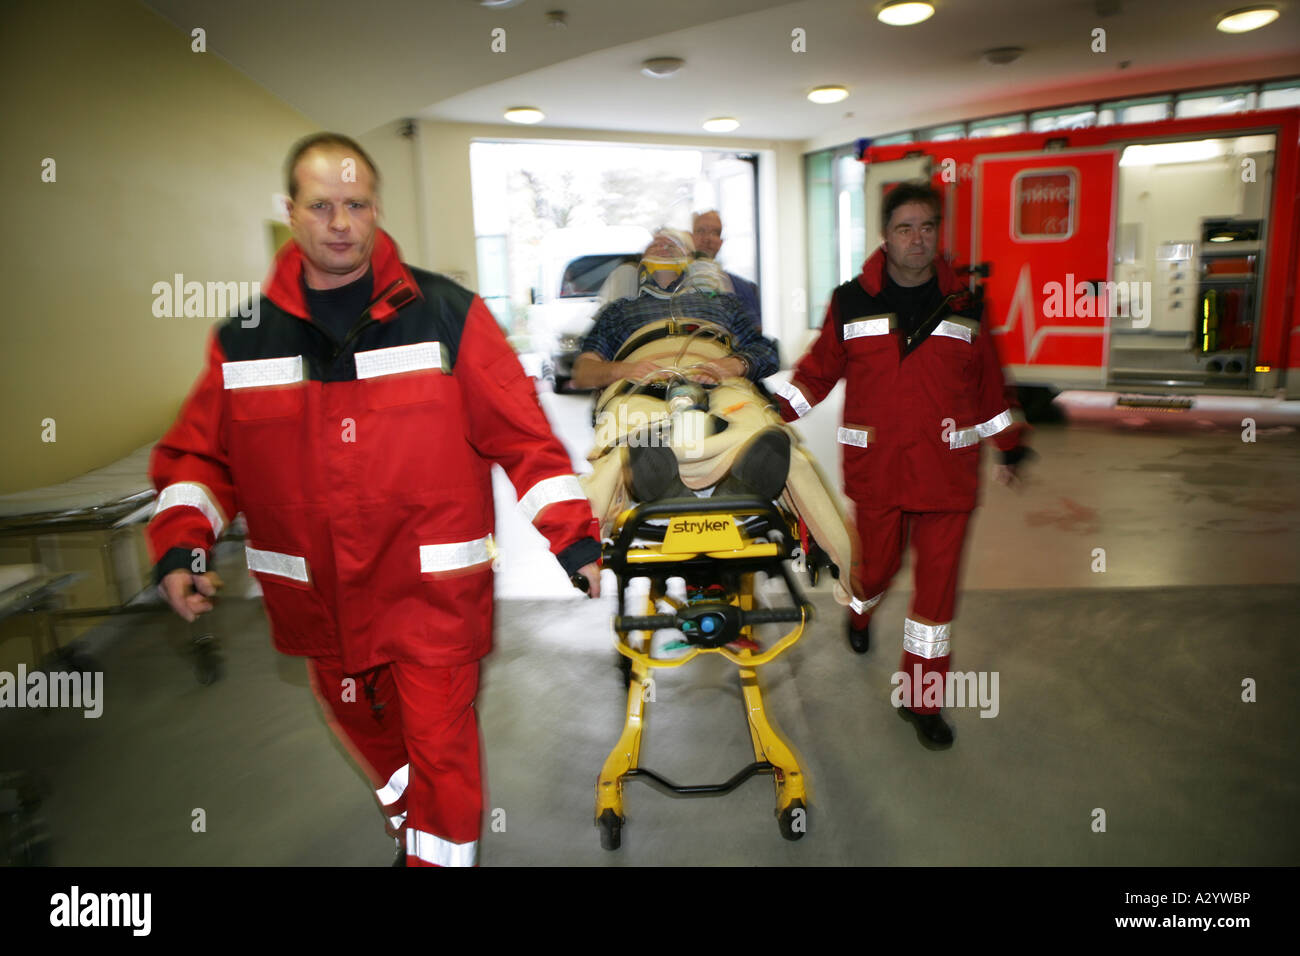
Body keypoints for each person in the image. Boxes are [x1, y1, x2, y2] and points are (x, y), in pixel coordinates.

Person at [147, 132, 602, 866]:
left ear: (376, 209)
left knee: (441, 746)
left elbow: (524, 437)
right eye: (321, 205)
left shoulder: (448, 314)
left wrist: (573, 536)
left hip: (429, 591)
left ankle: (435, 853)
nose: (340, 222)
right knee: (362, 723)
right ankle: (411, 817)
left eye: (355, 205)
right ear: (290, 212)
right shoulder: (246, 338)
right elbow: (201, 456)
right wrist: (181, 540)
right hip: (317, 593)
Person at [774, 182, 1031, 750]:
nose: (918, 239)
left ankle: (922, 701)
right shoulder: (851, 299)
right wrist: (773, 412)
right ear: (885, 237)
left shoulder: (966, 303)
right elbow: (818, 372)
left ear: (938, 234)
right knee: (877, 570)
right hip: (880, 470)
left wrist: (1009, 443)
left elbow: (990, 383)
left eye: (927, 227)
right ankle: (860, 612)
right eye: (904, 228)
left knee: (934, 602)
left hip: (948, 474)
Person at [692, 210, 761, 331]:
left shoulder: (745, 289)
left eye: (715, 233)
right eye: (701, 231)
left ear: (720, 242)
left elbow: (756, 334)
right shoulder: (673, 283)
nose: (707, 239)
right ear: (689, 236)